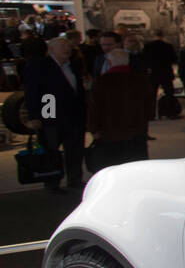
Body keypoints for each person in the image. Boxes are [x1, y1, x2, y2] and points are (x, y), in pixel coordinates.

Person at [22, 36, 87, 193]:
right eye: (63, 46)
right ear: (51, 50)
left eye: (68, 46)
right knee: (51, 149)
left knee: (75, 149)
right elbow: (32, 92)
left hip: (74, 115)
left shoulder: (73, 66)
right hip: (50, 112)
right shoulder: (39, 66)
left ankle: (75, 179)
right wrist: (34, 116)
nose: (67, 49)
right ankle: (52, 181)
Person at [86, 48, 153, 168]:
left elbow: (94, 108)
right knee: (136, 165)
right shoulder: (141, 80)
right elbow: (149, 104)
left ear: (110, 63)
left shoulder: (101, 82)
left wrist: (93, 128)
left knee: (113, 166)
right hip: (136, 130)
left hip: (109, 132)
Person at [142, 29, 179, 118]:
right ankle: (171, 113)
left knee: (152, 94)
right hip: (166, 72)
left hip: (153, 73)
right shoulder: (168, 46)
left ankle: (151, 114)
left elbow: (144, 59)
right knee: (169, 93)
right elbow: (174, 58)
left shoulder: (148, 46)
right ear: (162, 36)